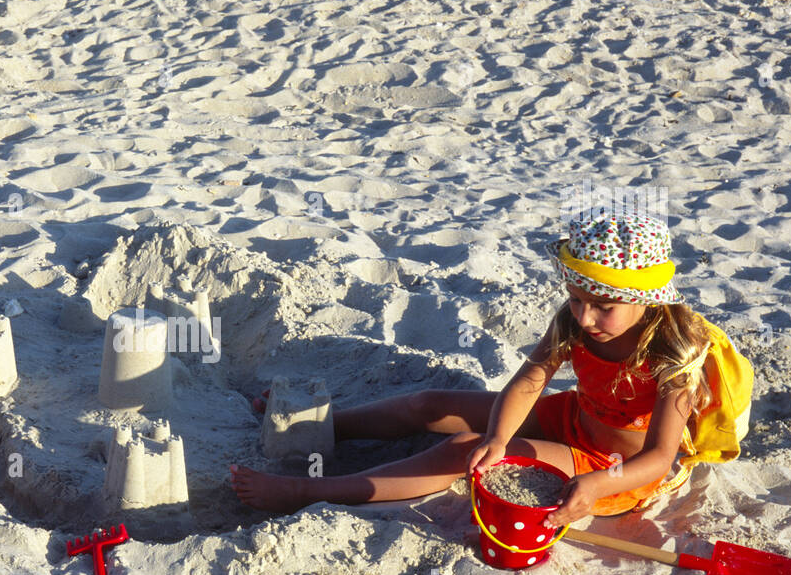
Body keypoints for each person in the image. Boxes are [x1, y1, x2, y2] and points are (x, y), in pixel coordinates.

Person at [229, 210, 712, 523]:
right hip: (576, 416)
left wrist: (597, 482)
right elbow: (531, 379)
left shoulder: (673, 352)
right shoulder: (577, 318)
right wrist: (501, 436)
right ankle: (324, 429)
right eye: (576, 298)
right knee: (430, 404)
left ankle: (311, 490)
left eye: (602, 305)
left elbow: (660, 456)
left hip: (610, 467)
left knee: (464, 449)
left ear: (645, 300)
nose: (585, 317)